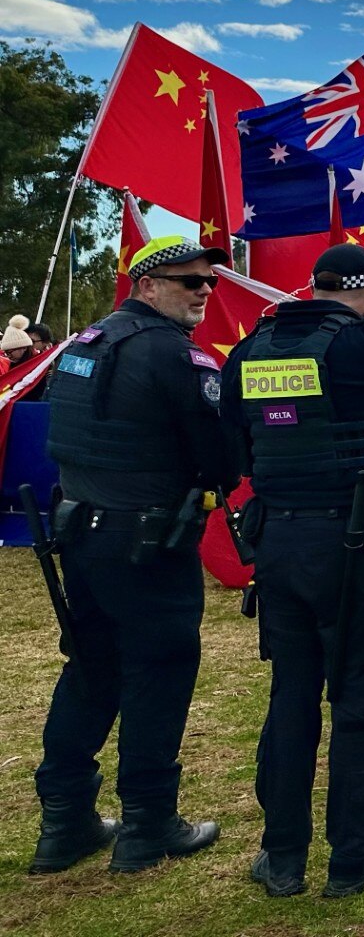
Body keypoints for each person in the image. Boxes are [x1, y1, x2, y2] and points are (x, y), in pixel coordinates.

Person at [220, 243, 364, 900]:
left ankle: (283, 857)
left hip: (279, 542)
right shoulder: (358, 345)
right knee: (357, 699)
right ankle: (355, 857)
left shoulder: (252, 351)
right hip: (352, 545)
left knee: (291, 697)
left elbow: (233, 448)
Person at [29, 236, 238, 876]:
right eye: (189, 281)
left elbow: (61, 439)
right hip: (146, 541)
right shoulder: (174, 356)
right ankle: (148, 823)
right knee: (158, 672)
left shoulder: (85, 345)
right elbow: (223, 456)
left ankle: (65, 821)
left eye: (210, 281)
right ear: (146, 285)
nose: (204, 291)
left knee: (93, 667)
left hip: (84, 531)